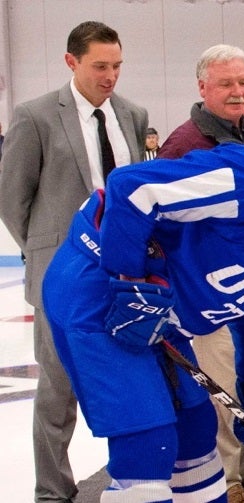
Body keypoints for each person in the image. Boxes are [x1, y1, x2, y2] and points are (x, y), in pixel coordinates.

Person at [39, 117, 244, 503]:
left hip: (156, 312)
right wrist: (130, 281)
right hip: (97, 289)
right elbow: (133, 188)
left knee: (195, 428)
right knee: (150, 440)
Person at [0, 20, 148, 503]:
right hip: (59, 279)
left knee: (127, 383)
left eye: (117, 65)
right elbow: (12, 199)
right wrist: (49, 254)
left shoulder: (132, 114)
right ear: (72, 62)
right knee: (57, 393)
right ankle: (52, 492)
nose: (111, 76)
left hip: (122, 277)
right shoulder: (35, 115)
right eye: (100, 66)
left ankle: (130, 484)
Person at [155, 43, 244, 503]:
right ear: (203, 88)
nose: (238, 92)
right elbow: (160, 221)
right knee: (219, 386)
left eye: (243, 82)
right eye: (227, 84)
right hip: (204, 293)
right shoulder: (183, 145)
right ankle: (225, 479)